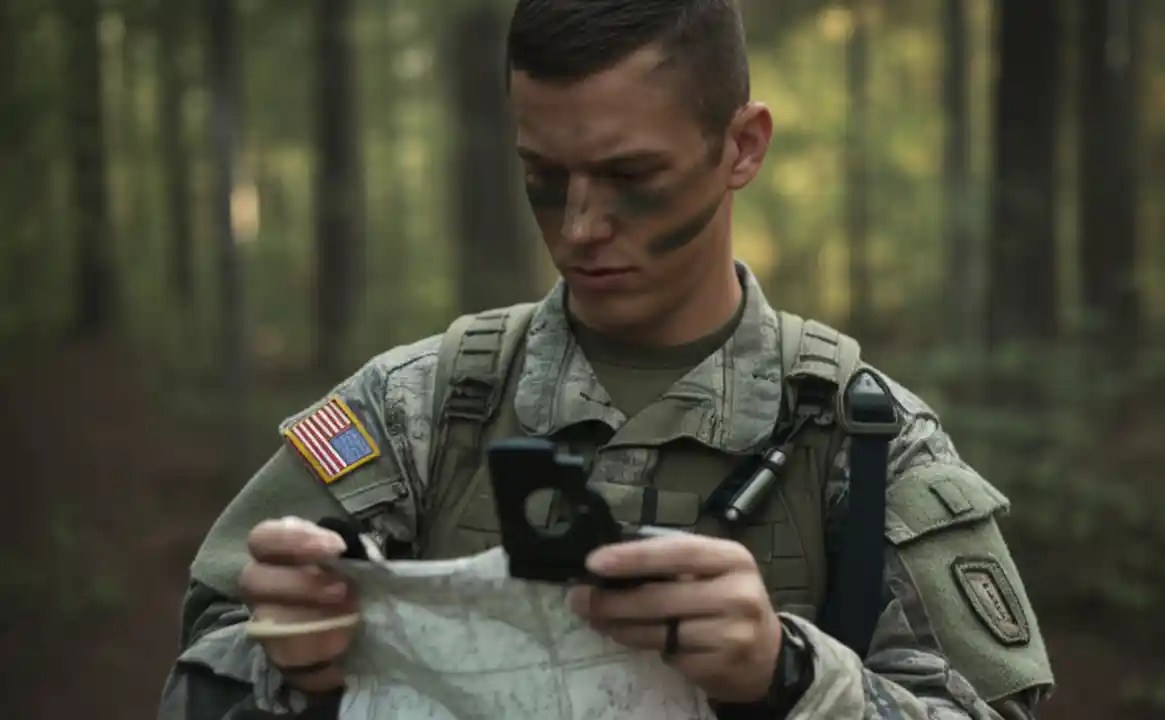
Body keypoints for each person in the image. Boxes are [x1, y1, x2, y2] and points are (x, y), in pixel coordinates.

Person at [158, 1, 1054, 718]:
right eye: (545, 176)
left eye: (631, 178)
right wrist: (298, 662)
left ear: (742, 146)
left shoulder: (867, 443)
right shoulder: (420, 409)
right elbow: (205, 670)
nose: (580, 226)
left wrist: (787, 680)